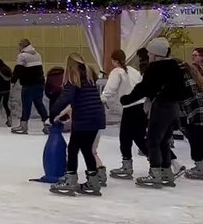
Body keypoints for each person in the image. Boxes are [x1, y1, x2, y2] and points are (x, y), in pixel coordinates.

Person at [120, 37, 190, 188]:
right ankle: (166, 172)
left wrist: (126, 99)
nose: (149, 56)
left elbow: (143, 88)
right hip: (173, 109)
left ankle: (155, 173)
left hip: (160, 108)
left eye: (151, 53)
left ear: (156, 54)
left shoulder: (155, 68)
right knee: (164, 141)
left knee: (153, 140)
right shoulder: (174, 66)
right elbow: (183, 90)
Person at [48, 53, 106, 196]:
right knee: (87, 149)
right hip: (97, 117)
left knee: (73, 148)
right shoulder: (89, 75)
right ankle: (93, 181)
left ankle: (70, 179)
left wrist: (53, 112)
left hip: (84, 119)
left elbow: (65, 97)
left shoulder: (74, 76)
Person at [102, 48, 145, 180]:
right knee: (139, 138)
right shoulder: (134, 71)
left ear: (114, 61)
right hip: (140, 107)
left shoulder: (117, 72)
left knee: (125, 138)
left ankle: (127, 166)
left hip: (129, 108)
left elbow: (110, 89)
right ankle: (158, 164)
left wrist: (101, 99)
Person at [11, 39, 49, 134]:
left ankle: (23, 126)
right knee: (39, 104)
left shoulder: (22, 56)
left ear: (22, 46)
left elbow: (18, 70)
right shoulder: (37, 54)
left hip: (28, 84)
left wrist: (12, 81)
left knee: (26, 105)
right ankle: (47, 125)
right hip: (39, 83)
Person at [183, 47, 203, 180]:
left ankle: (200, 166)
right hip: (197, 110)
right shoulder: (191, 70)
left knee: (196, 138)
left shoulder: (190, 72)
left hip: (197, 110)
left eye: (196, 55)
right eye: (192, 55)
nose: (193, 57)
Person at [0, 58, 13, 127]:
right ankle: (9, 119)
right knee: (5, 104)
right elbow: (10, 78)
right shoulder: (7, 68)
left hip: (0, 89)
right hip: (7, 89)